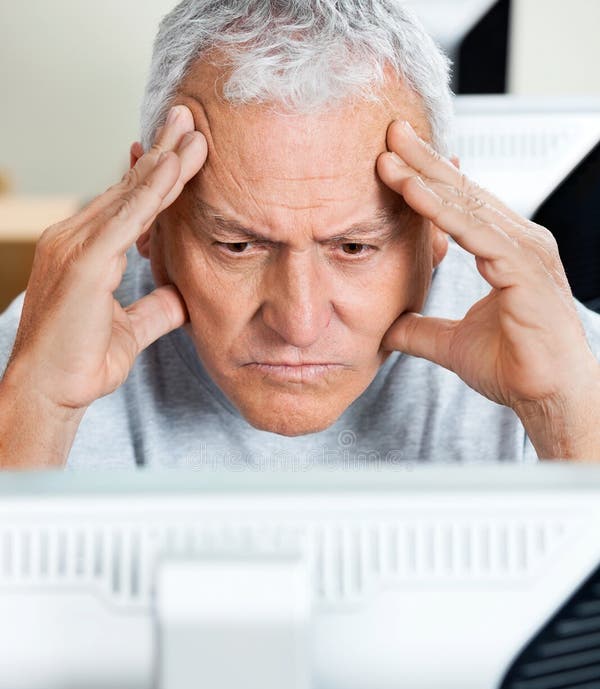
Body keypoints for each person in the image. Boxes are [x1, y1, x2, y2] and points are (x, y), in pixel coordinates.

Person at [1, 0, 600, 470]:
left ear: (437, 228)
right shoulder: (50, 343)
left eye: (355, 247)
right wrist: (35, 411)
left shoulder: (556, 352)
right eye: (237, 246)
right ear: (152, 219)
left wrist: (565, 414)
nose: (299, 322)